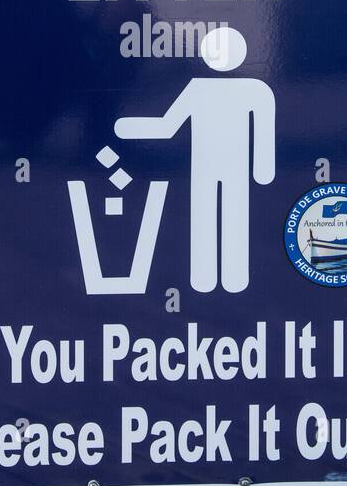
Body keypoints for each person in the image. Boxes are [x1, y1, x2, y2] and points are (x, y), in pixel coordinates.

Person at [115, 27, 275, 294]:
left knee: (232, 218)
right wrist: (129, 127)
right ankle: (206, 276)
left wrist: (262, 170)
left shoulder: (255, 91)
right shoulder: (199, 89)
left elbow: (263, 134)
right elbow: (168, 126)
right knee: (206, 219)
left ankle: (231, 277)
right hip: (204, 167)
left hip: (233, 168)